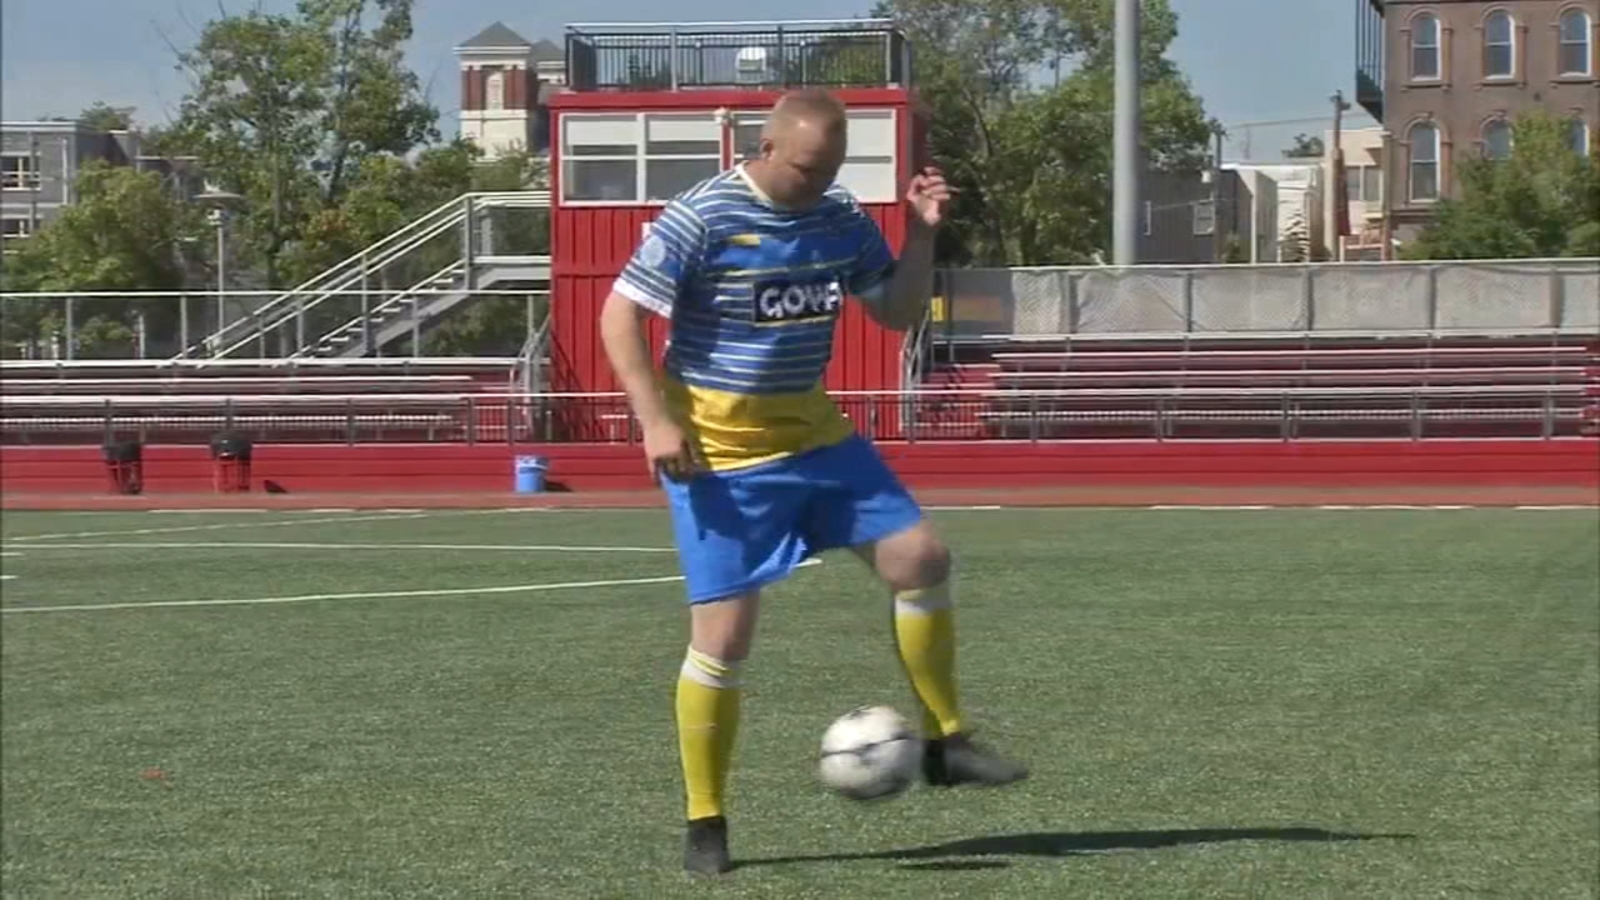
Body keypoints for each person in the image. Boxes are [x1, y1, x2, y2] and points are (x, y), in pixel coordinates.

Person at [598, 88, 1027, 876]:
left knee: (922, 560)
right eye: (803, 168)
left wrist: (919, 237)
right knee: (723, 644)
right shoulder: (703, 215)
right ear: (765, 148)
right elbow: (619, 315)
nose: (815, 182)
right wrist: (655, 420)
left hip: (819, 439)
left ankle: (948, 742)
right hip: (722, 457)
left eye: (830, 170)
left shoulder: (837, 216)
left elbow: (895, 314)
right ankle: (706, 822)